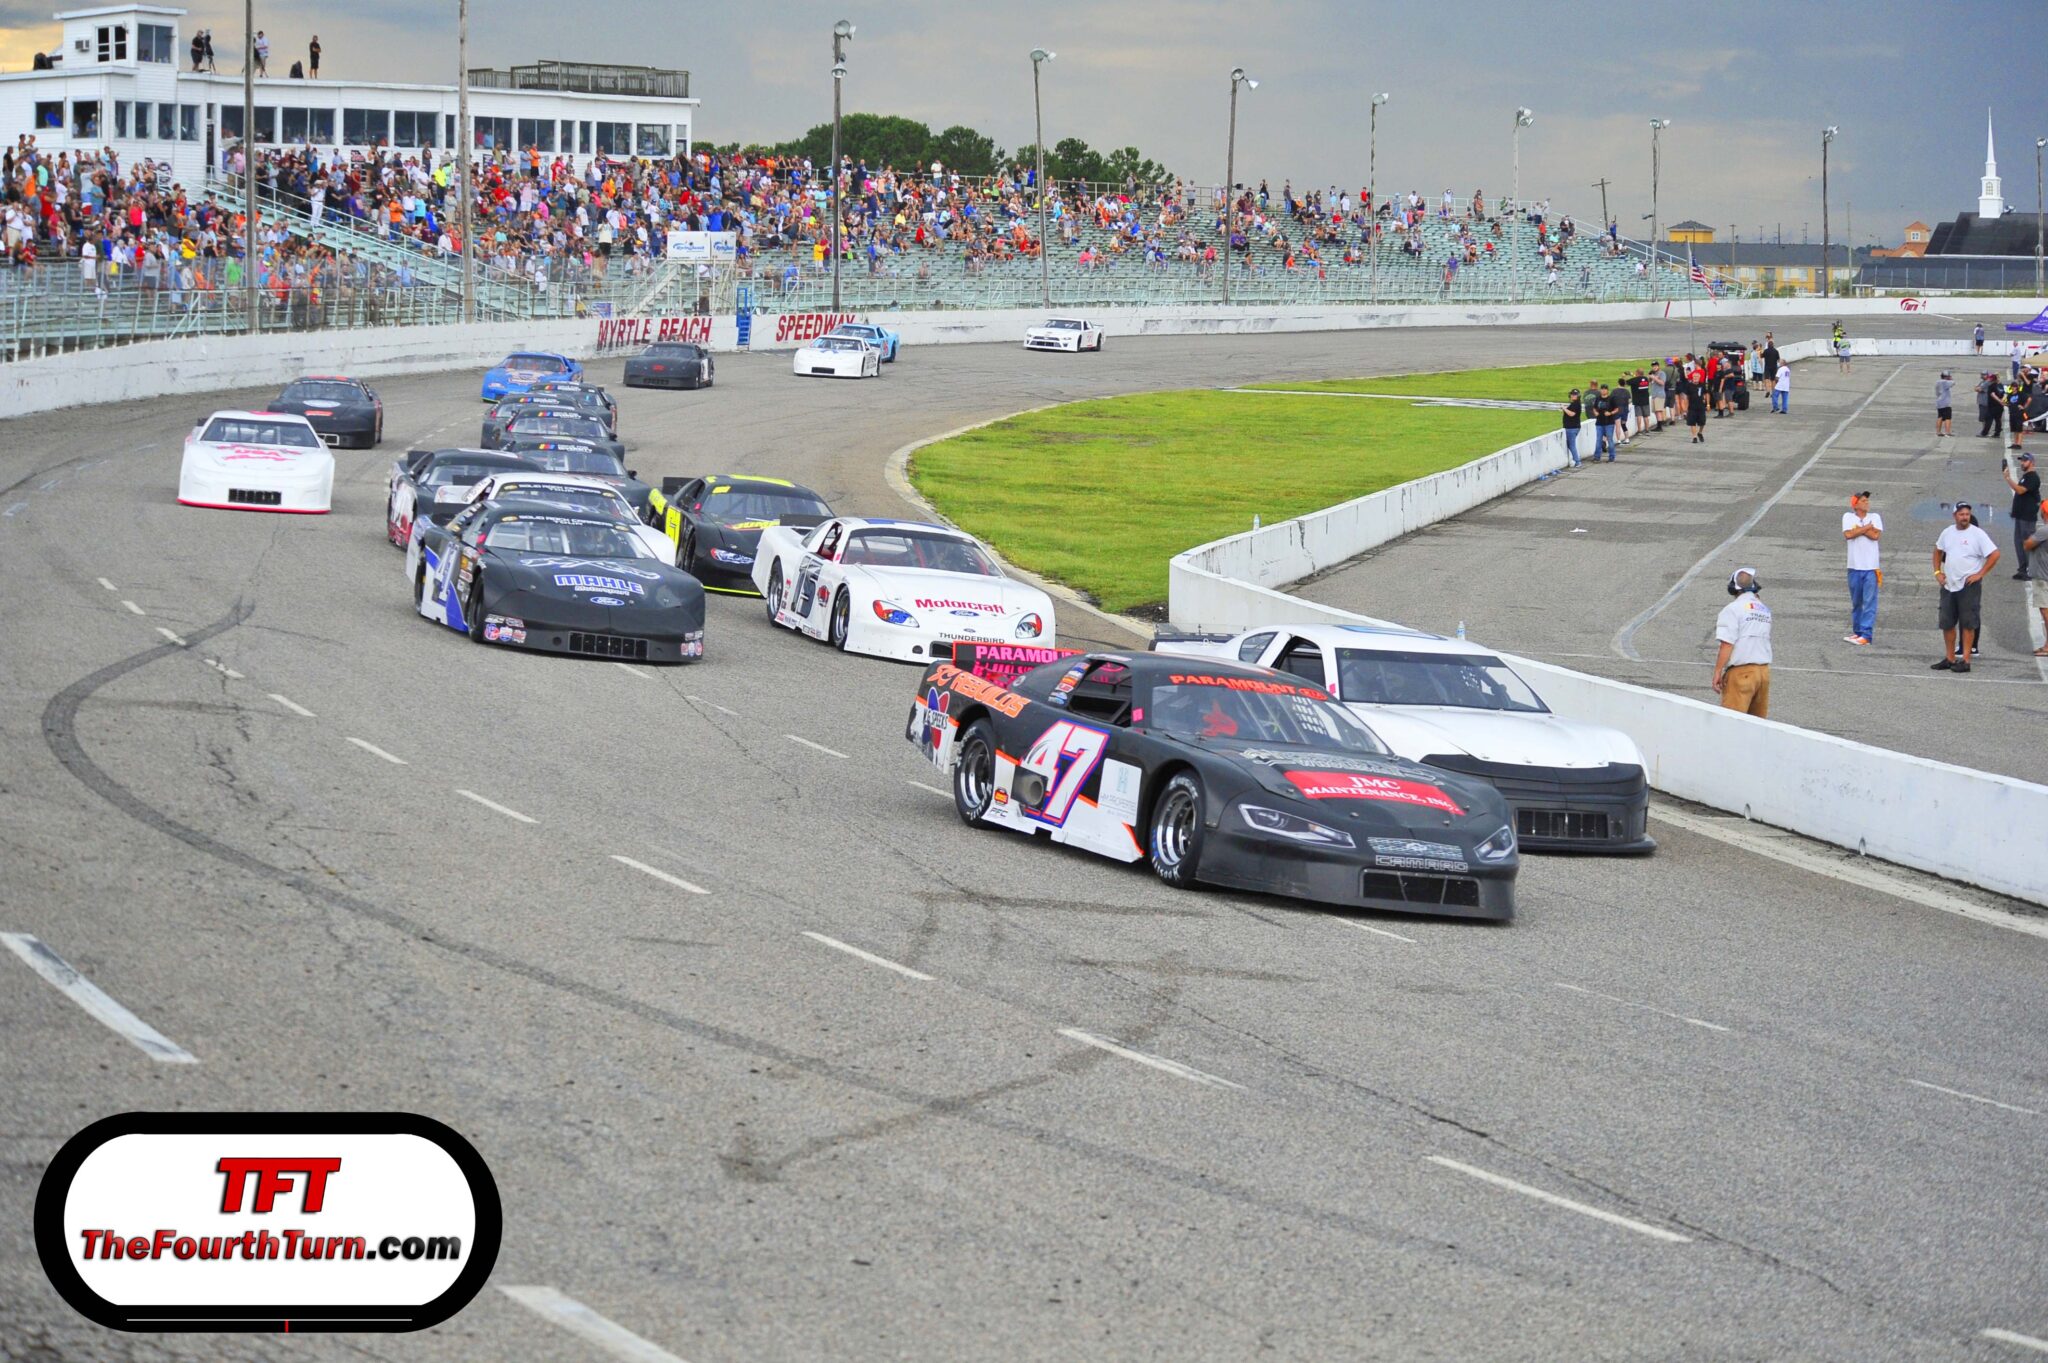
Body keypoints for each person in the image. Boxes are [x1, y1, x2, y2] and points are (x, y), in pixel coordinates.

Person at [1931, 503, 1999, 672]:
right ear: (1955, 515)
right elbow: (1937, 551)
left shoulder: (1977, 534)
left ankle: (1966, 660)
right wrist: (1938, 572)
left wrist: (1980, 574)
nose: (1965, 517)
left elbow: (1994, 554)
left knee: (1968, 623)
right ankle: (1950, 658)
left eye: (1967, 514)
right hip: (1949, 585)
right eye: (1961, 514)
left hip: (1968, 586)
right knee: (1947, 622)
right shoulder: (1947, 532)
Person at [1713, 567, 1773, 716]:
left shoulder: (1732, 609)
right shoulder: (1764, 609)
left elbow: (1727, 643)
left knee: (1731, 724)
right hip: (1763, 673)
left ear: (1733, 588)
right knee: (1757, 725)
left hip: (1742, 673)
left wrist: (1717, 672)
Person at [1842, 491, 1881, 645]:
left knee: (1869, 601)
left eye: (1867, 500)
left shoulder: (1875, 517)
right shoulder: (1847, 517)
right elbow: (1848, 535)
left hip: (1871, 568)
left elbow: (1875, 536)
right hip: (1854, 566)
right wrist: (1867, 528)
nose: (1867, 503)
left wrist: (1859, 529)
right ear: (1855, 504)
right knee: (1856, 601)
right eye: (1863, 501)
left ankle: (1866, 634)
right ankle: (1857, 631)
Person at [2006, 451, 2040, 580]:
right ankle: (2022, 568)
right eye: (2021, 461)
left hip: (2027, 517)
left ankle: (2030, 570)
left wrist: (2008, 478)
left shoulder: (2032, 477)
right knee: (2019, 543)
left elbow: (2020, 490)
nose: (2022, 463)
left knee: (2027, 543)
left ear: (2032, 462)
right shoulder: (2026, 476)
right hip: (2021, 516)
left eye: (2024, 461)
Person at [1592, 383, 1618, 461]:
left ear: (1607, 390)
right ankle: (1597, 457)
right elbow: (1594, 408)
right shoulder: (1598, 398)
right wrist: (1595, 412)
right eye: (1602, 389)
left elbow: (1617, 409)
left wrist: (1610, 413)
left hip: (1609, 422)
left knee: (1610, 440)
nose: (1603, 390)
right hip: (1599, 422)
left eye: (1605, 389)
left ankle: (1611, 456)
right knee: (1598, 440)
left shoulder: (1611, 399)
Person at [1979, 371, 2006, 440]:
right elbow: (2004, 394)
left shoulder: (1991, 386)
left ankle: (1984, 433)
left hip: (1992, 405)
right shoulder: (2001, 385)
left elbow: (1992, 395)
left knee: (1988, 419)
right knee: (1998, 420)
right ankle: (1997, 433)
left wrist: (2000, 401)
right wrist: (2002, 401)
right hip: (2000, 406)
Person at [1686, 363, 1709, 442]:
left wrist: (1708, 403)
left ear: (1699, 378)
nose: (1695, 378)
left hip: (1701, 406)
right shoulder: (1689, 385)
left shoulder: (1702, 385)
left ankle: (1700, 432)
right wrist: (1686, 407)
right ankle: (1694, 437)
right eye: (1694, 377)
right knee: (1692, 422)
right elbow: (1687, 397)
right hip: (1692, 406)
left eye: (1697, 377)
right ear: (1692, 377)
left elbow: (1706, 394)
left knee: (1702, 422)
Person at [1560, 387, 1583, 468]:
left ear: (1578, 396)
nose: (1573, 396)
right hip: (1573, 427)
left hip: (1572, 428)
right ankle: (1576, 460)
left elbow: (1572, 414)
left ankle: (1577, 461)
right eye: (1572, 394)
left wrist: (1564, 408)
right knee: (1570, 445)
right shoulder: (1575, 404)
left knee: (1571, 445)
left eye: (1575, 395)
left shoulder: (1575, 404)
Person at [1935, 370, 1954, 438]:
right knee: (1948, 418)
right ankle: (1947, 432)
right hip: (1945, 403)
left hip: (1939, 401)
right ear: (1946, 377)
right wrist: (1950, 378)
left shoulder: (1937, 382)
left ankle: (1938, 431)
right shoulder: (1945, 382)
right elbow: (1953, 383)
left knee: (1940, 417)